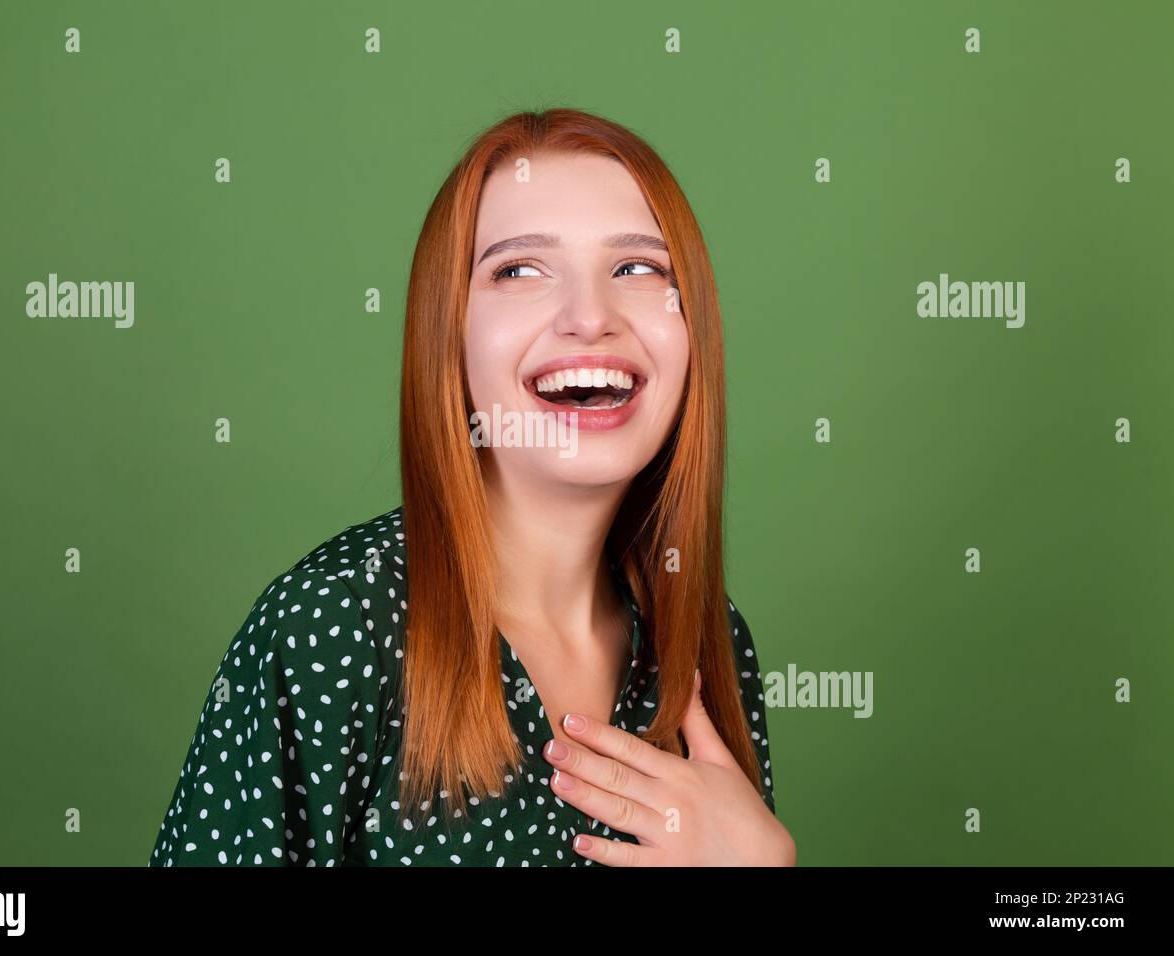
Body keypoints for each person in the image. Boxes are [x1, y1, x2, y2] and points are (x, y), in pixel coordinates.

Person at [149, 108, 795, 866]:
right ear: (447, 336)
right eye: (519, 270)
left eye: (639, 268)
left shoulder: (709, 641)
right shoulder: (331, 627)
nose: (591, 318)